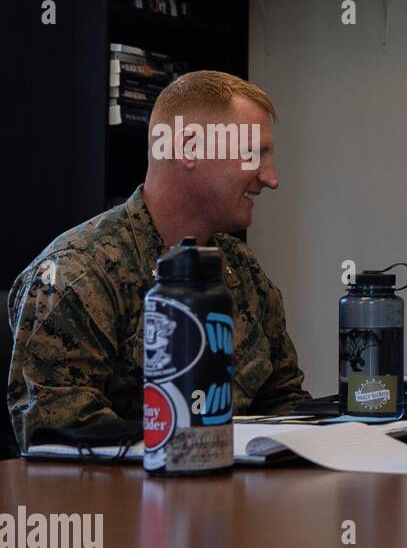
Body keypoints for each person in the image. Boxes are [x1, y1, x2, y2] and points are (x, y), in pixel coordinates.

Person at [7, 71, 309, 453]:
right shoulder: (77, 272)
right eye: (254, 153)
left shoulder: (239, 267)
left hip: (233, 498)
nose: (270, 177)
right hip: (121, 507)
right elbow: (60, 441)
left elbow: (284, 404)